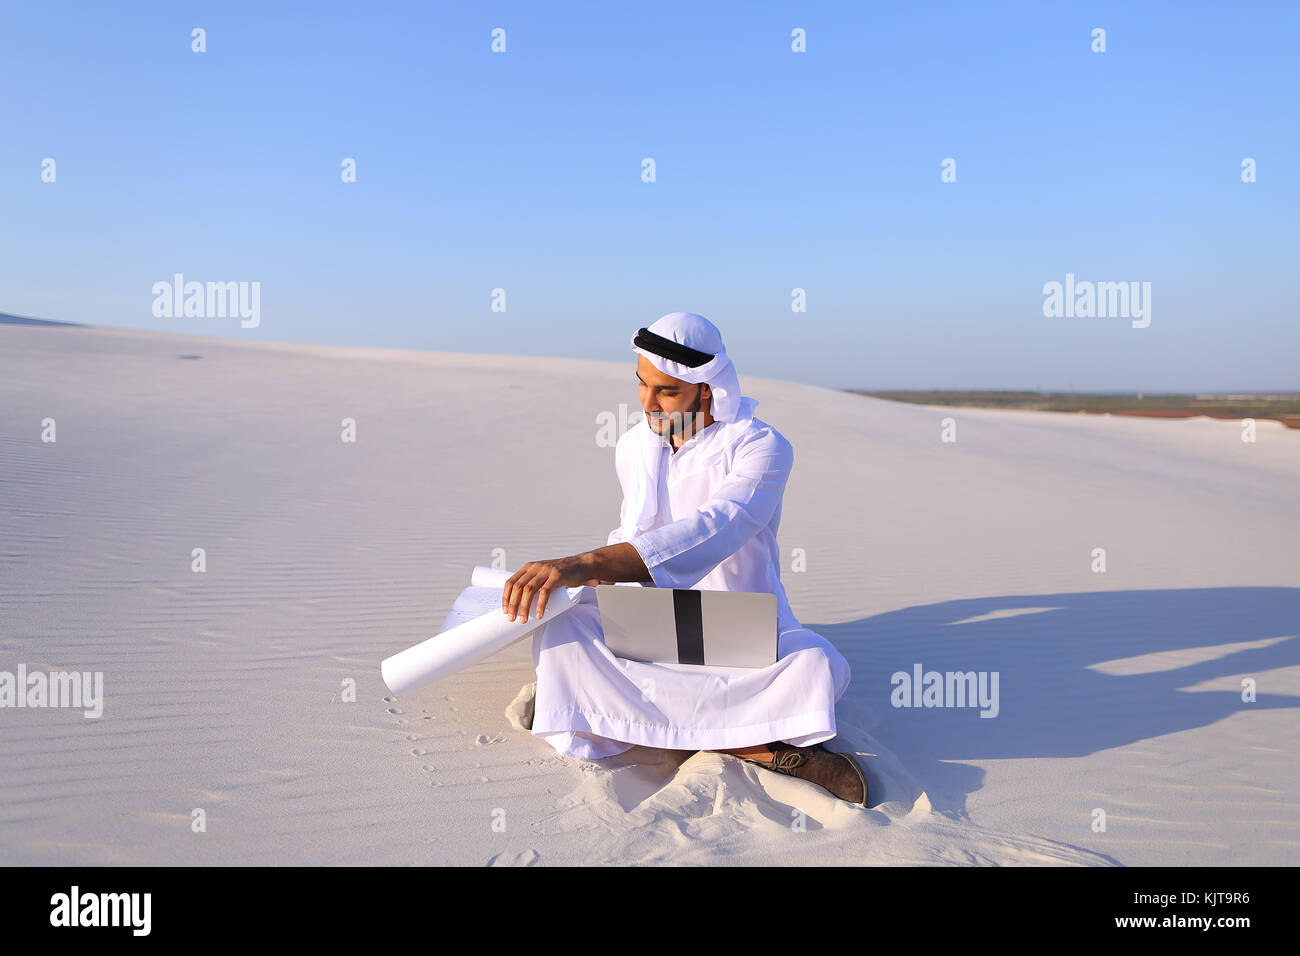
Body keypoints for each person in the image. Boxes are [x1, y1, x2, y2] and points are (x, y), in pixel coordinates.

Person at [501, 312, 867, 806]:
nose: (648, 403)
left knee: (816, 664)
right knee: (562, 627)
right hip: (649, 623)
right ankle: (750, 740)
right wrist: (592, 580)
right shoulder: (634, 445)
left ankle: (602, 711)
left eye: (667, 391)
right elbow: (632, 530)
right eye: (642, 384)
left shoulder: (760, 446)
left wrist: (589, 562)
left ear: (707, 390)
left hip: (738, 627)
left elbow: (719, 525)